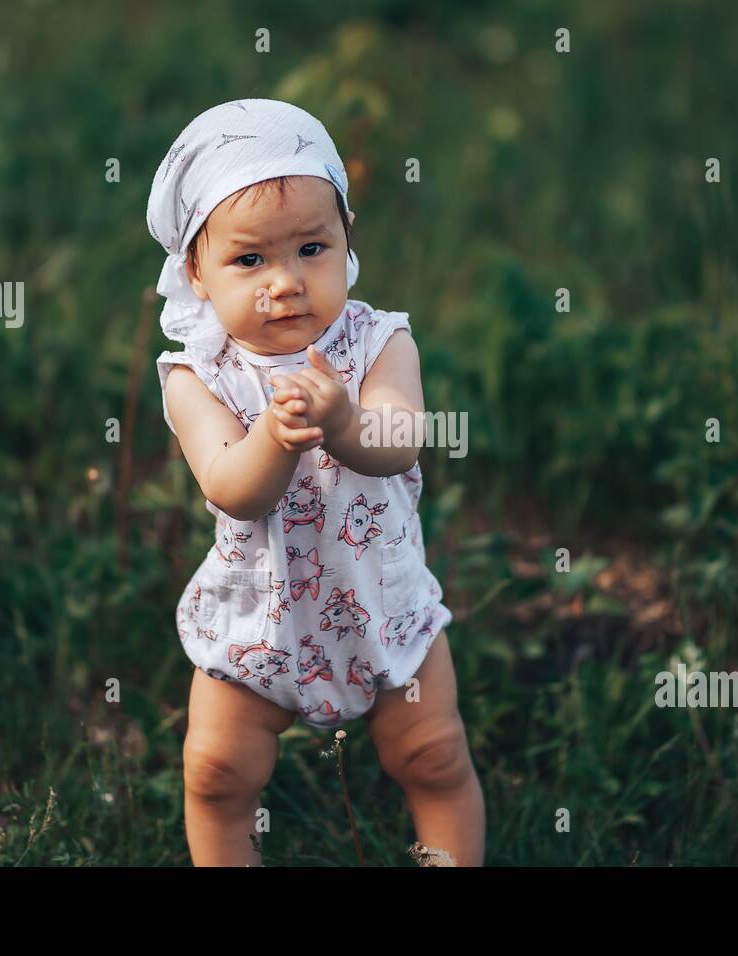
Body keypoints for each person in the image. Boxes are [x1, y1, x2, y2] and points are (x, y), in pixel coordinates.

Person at [146, 98, 485, 866]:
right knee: (217, 772)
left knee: (432, 758)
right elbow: (233, 487)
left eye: (310, 247)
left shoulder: (378, 340)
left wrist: (344, 425)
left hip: (380, 602)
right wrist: (274, 435)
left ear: (346, 239)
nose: (287, 282)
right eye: (249, 260)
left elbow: (399, 439)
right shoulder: (195, 377)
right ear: (195, 271)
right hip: (256, 617)